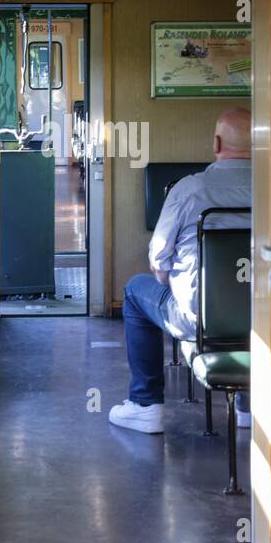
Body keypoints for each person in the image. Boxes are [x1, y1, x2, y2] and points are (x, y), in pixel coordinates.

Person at [109, 107, 252, 434]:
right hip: (266, 322)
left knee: (134, 291)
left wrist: (171, 281)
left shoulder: (189, 190)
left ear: (217, 143)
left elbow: (159, 258)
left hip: (196, 321)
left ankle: (145, 405)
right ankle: (248, 407)